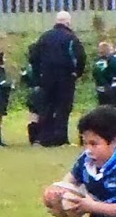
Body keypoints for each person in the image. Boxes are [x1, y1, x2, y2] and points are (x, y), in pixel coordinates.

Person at [28, 11, 87, 145]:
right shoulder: (71, 38)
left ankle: (45, 137)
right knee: (63, 107)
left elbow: (33, 58)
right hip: (65, 77)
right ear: (67, 22)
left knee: (47, 106)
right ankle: (61, 137)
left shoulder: (44, 37)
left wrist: (38, 76)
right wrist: (77, 72)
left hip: (46, 77)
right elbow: (80, 57)